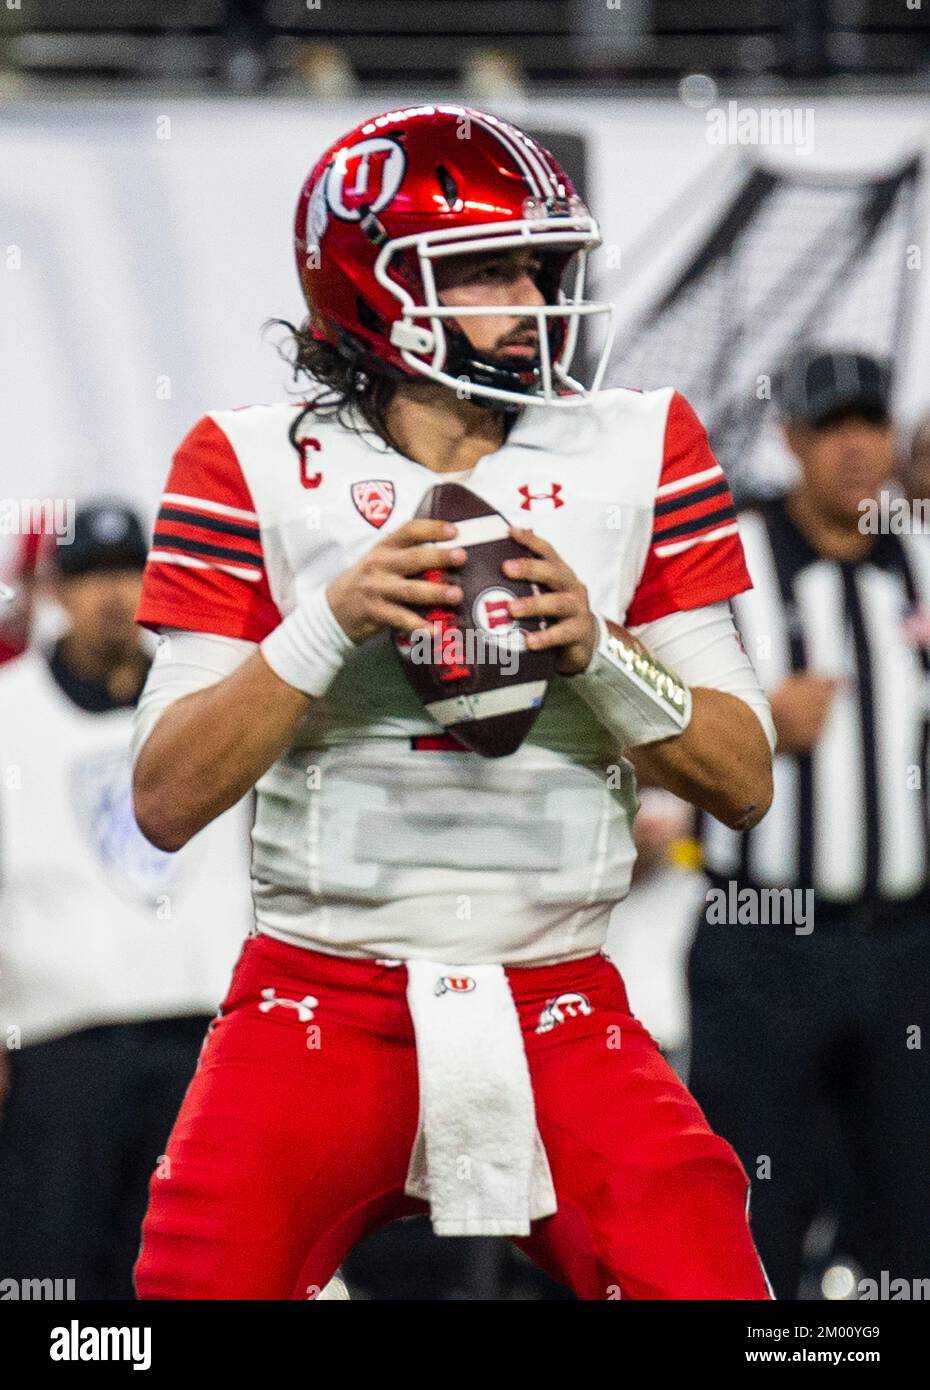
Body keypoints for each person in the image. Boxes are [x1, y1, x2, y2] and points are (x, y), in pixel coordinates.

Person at [130, 105, 776, 1301]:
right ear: (374, 286)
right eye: (489, 267)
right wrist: (326, 620)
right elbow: (163, 799)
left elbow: (744, 781)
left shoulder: (635, 445)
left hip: (561, 991)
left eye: (540, 263)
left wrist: (600, 648)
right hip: (317, 994)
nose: (531, 297)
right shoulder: (253, 463)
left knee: (722, 1297)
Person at [689, 346, 930, 1299]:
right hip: (763, 948)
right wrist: (751, 723)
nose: (855, 448)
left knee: (912, 1217)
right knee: (751, 1212)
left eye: (869, 422)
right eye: (829, 427)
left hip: (904, 945)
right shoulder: (725, 558)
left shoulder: (917, 549)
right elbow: (631, 707)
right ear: (787, 439)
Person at [0, 502, 253, 1299]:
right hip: (58, 1043)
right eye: (89, 576)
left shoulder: (211, 700)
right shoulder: (8, 713)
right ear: (53, 591)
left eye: (128, 571)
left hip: (202, 1037)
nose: (112, 594)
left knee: (194, 1274)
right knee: (51, 1277)